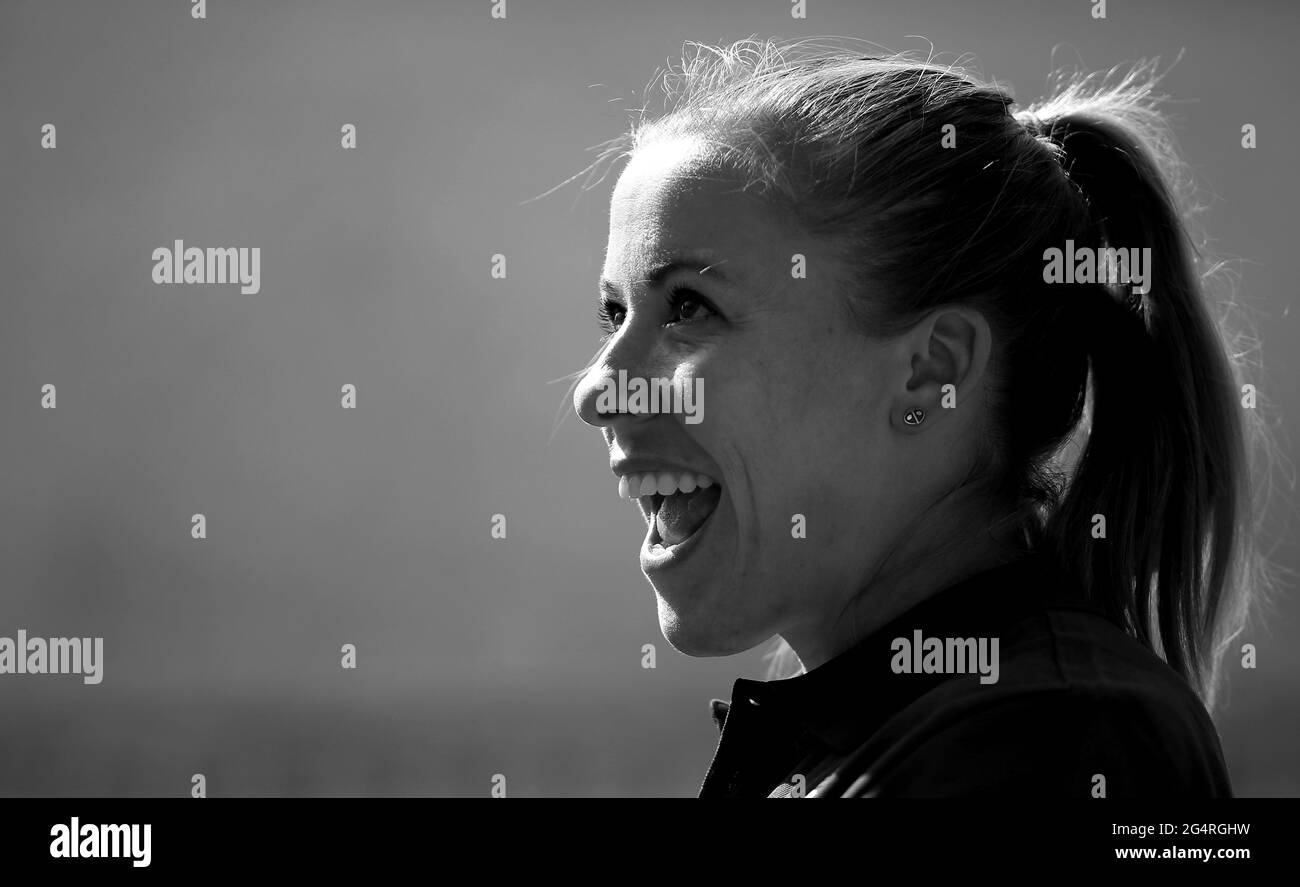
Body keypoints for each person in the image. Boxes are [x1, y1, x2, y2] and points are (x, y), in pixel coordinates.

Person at [572, 38, 1269, 797]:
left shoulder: (1049, 742)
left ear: (931, 371)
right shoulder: (938, 728)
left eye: (690, 308)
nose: (598, 392)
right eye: (614, 314)